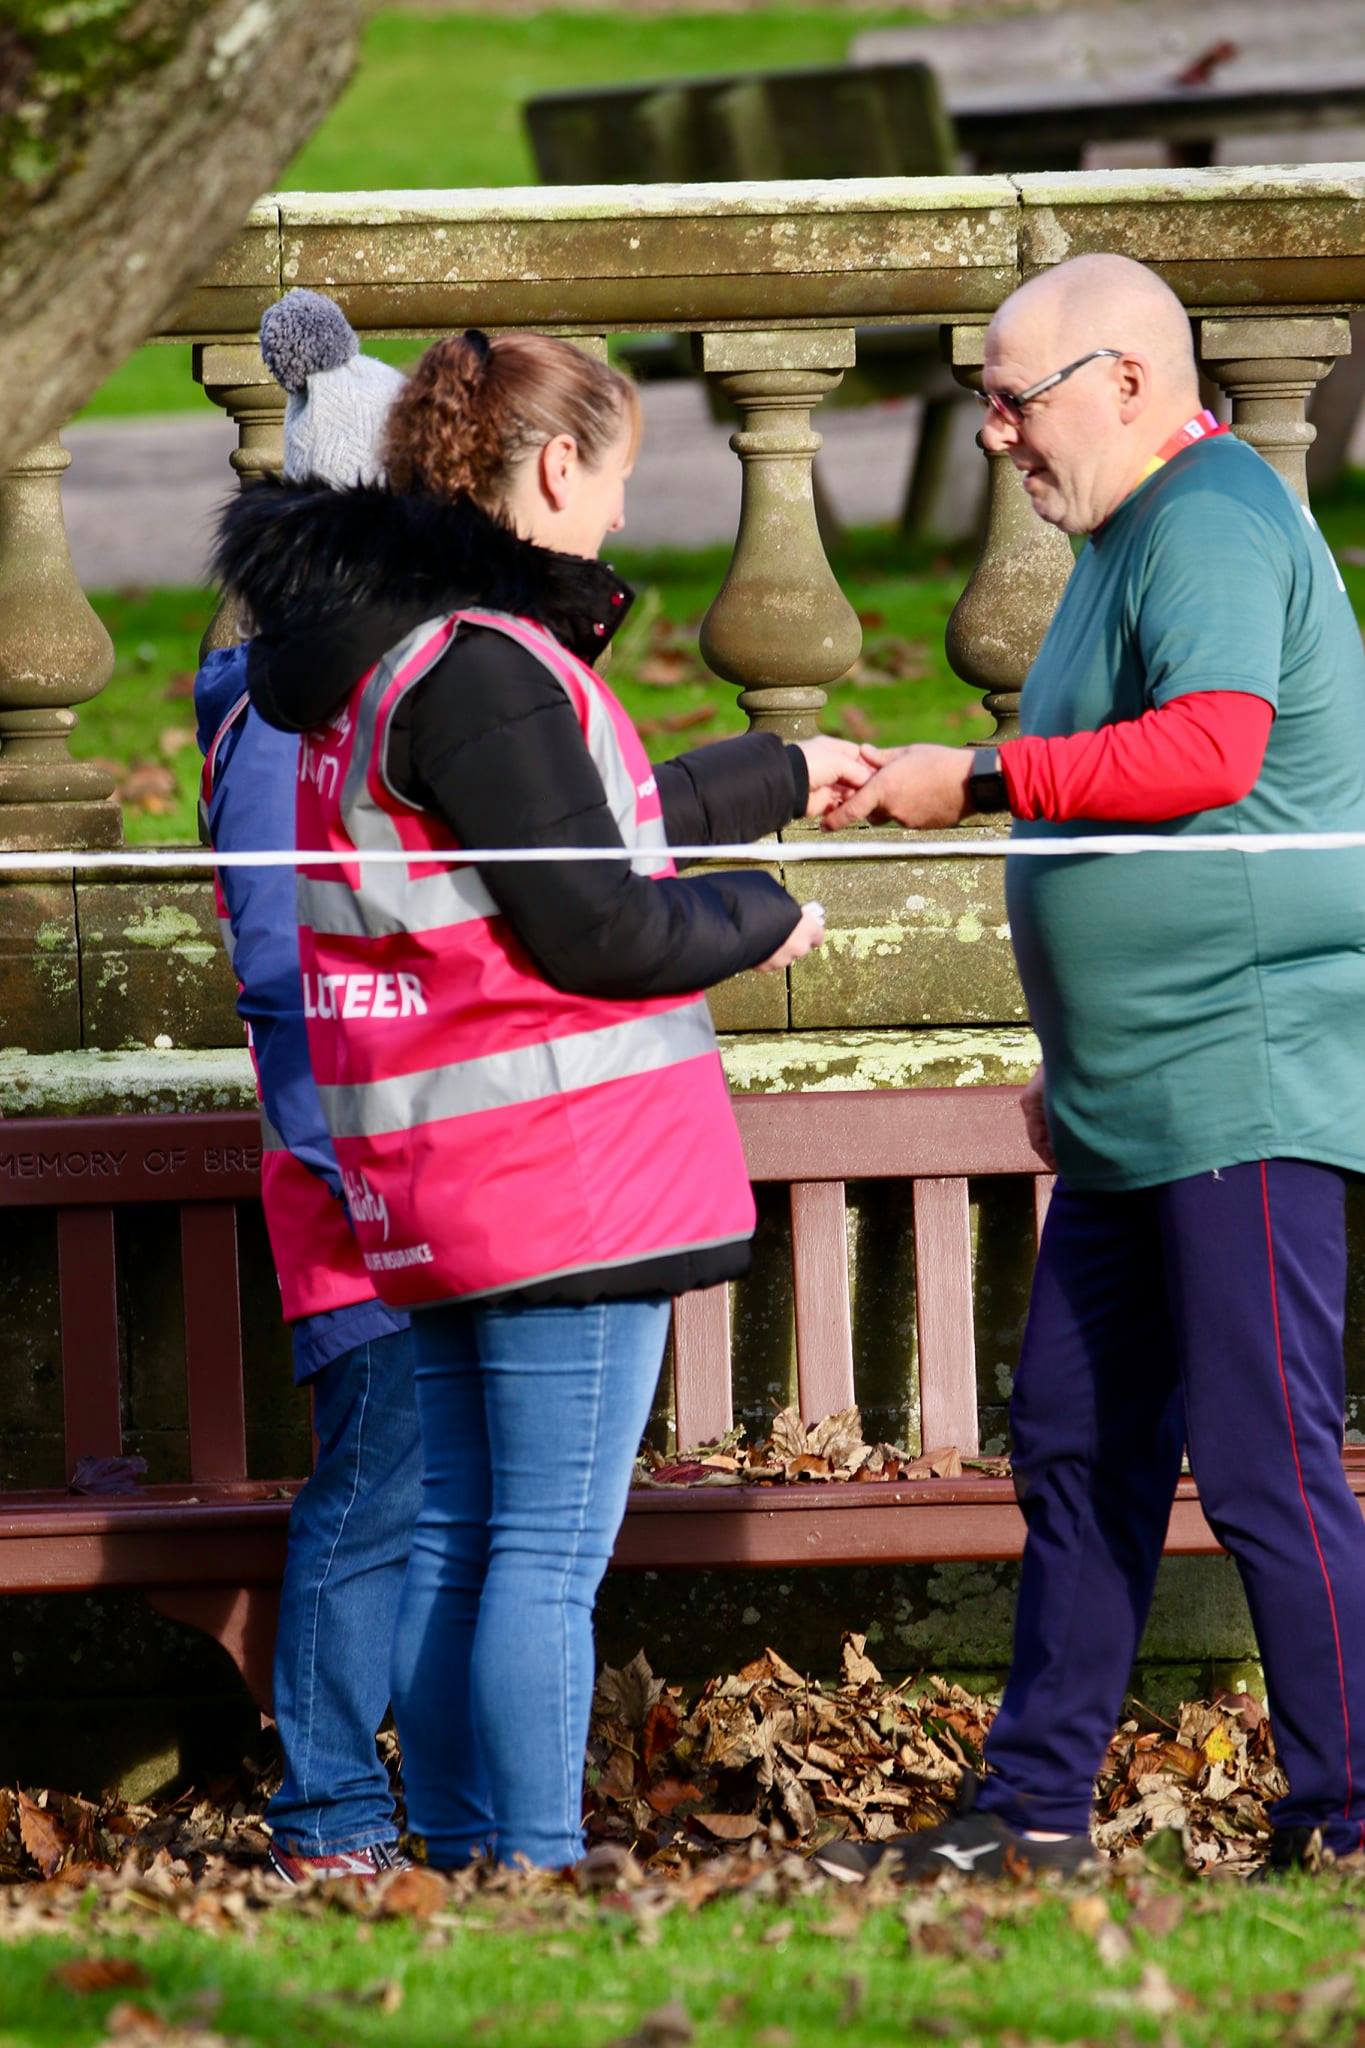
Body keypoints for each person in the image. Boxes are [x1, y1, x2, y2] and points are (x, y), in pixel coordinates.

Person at [212, 326, 871, 1870]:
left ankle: (458, 1854)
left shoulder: (381, 662)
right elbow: (600, 923)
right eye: (621, 476)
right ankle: (525, 1863)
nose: (623, 519)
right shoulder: (487, 664)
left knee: (459, 1543)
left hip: (436, 1175)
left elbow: (567, 830)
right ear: (555, 464)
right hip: (560, 1182)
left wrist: (779, 770)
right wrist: (768, 915)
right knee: (543, 1559)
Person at [818, 252, 1365, 1881]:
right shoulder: (1137, 532)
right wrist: (1082, 1055)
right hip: (1141, 1097)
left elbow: (1210, 753)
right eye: (983, 403)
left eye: (1012, 399)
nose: (992, 436)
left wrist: (973, 777)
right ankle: (1034, 1814)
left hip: (1241, 1081)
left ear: (1125, 380)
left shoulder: (1203, 514)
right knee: (1074, 1442)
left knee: (1263, 1463)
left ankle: (1346, 1823)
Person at [195, 289, 420, 1883]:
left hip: (416, 1156)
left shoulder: (355, 681)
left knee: (419, 1485)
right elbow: (284, 967)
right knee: (377, 1485)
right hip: (356, 1166)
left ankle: (400, 1805)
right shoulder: (290, 708)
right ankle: (333, 1811)